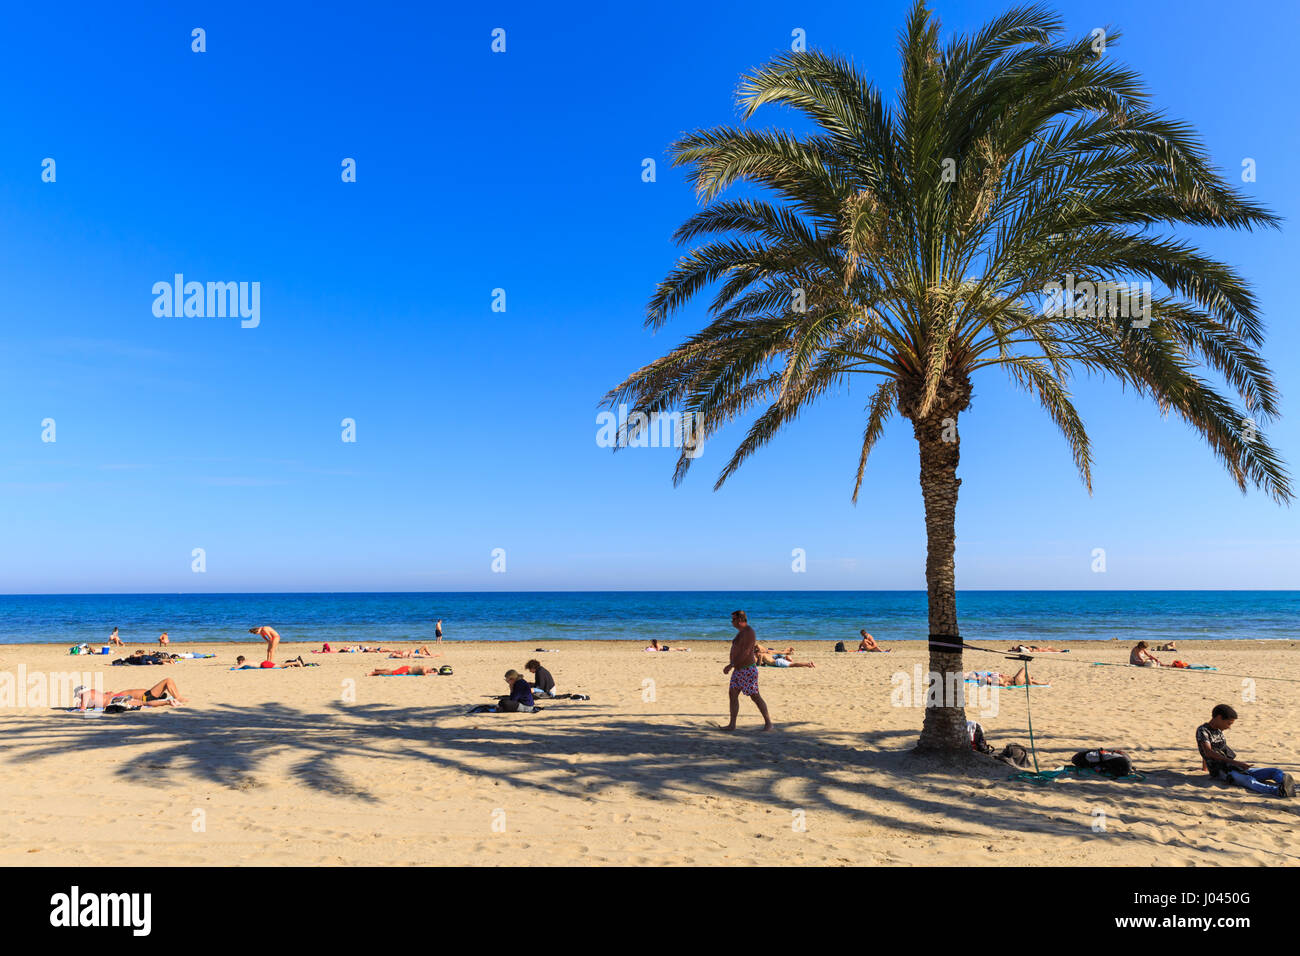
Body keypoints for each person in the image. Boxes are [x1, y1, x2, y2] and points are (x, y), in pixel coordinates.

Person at [1196, 704, 1294, 798]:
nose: (1229, 727)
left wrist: (1204, 769)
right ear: (1219, 717)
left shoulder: (1218, 730)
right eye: (1228, 723)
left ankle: (1286, 784)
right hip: (1221, 771)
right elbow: (1208, 752)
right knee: (1249, 780)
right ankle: (1278, 791)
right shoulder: (1203, 731)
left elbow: (1208, 752)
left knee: (1275, 771)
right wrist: (1235, 763)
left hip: (1233, 766)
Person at [723, 610, 772, 731]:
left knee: (755, 696)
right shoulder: (741, 632)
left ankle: (769, 723)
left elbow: (746, 652)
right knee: (732, 695)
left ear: (740, 620)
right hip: (738, 670)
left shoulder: (749, 632)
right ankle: (732, 724)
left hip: (747, 670)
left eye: (733, 620)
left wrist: (731, 664)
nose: (731, 622)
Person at [77, 678, 187, 710]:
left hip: (144, 696)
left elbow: (86, 706)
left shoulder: (108, 696)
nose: (109, 691)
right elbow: (84, 706)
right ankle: (175, 700)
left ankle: (171, 701)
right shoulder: (113, 696)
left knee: (146, 702)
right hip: (144, 696)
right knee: (167, 681)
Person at [964, 667, 1046, 687]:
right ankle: (966, 676)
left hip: (1016, 680)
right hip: (1015, 682)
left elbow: (1005, 684)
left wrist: (1030, 682)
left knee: (1025, 668)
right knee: (983, 678)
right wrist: (1045, 683)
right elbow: (1038, 682)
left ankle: (967, 676)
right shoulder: (1024, 680)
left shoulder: (1023, 679)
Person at [369, 664, 438, 676]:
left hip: (407, 669)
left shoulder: (426, 668)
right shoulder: (425, 668)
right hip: (406, 670)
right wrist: (431, 674)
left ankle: (378, 669)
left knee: (391, 671)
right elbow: (424, 673)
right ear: (432, 669)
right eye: (432, 671)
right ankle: (373, 673)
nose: (431, 672)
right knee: (391, 673)